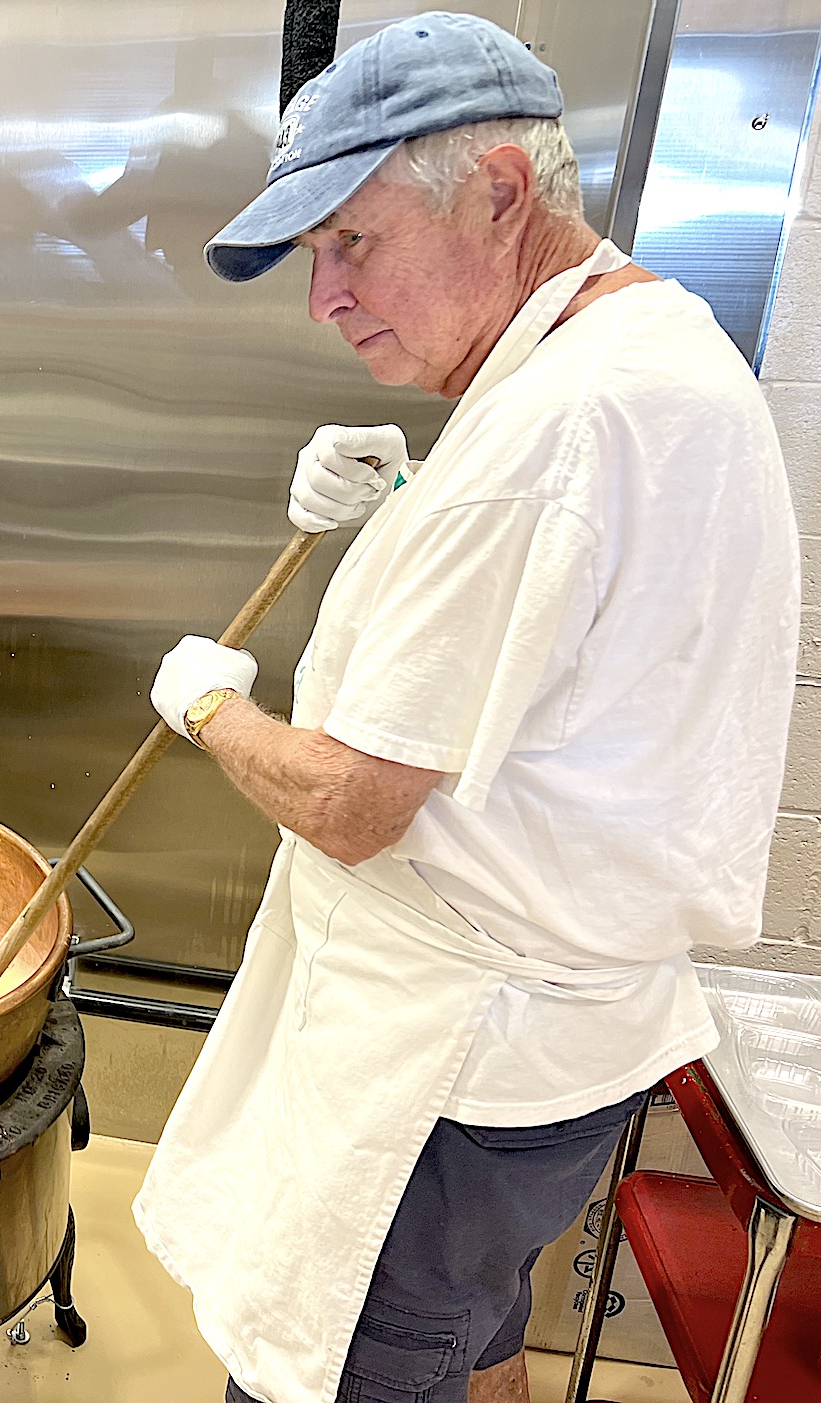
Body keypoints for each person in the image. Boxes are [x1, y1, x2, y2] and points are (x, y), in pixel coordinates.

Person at [132, 15, 798, 1403]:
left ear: (499, 190)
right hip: (553, 1040)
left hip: (449, 1062)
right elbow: (568, 643)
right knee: (474, 1327)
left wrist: (205, 706)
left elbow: (350, 804)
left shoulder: (556, 427)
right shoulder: (647, 346)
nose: (323, 299)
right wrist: (409, 498)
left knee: (349, 1365)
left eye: (350, 242)